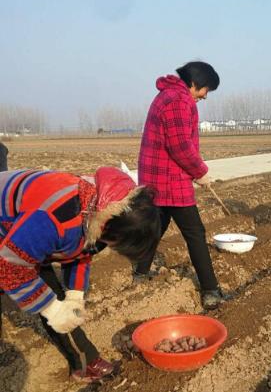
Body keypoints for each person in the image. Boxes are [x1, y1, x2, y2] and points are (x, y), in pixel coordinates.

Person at [0, 167, 161, 383]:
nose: (112, 249)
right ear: (109, 229)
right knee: (50, 297)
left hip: (28, 222)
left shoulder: (104, 211)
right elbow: (8, 264)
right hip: (12, 219)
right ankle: (85, 365)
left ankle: (84, 362)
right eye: (117, 245)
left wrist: (76, 293)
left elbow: (81, 252)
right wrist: (52, 308)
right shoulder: (52, 219)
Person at [136, 61, 224, 309]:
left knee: (158, 225)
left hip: (158, 177)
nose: (205, 96)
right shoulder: (178, 99)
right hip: (168, 178)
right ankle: (210, 290)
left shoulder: (168, 95)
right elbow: (180, 145)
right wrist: (200, 172)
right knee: (195, 233)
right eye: (206, 89)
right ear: (194, 83)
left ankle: (141, 272)